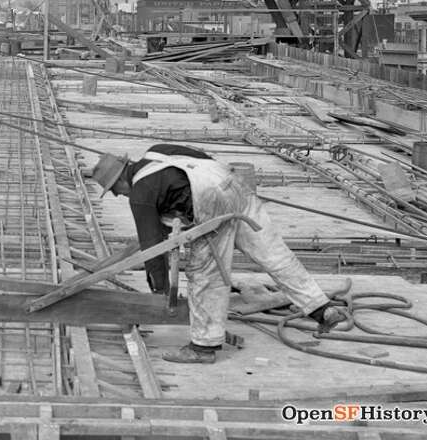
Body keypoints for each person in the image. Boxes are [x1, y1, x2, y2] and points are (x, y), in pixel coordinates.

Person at [91, 142, 348, 364]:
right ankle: (321, 308)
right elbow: (201, 161)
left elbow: (151, 245)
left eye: (116, 191)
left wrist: (159, 290)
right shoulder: (157, 153)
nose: (120, 195)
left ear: (121, 180)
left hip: (210, 202)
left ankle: (203, 346)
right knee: (274, 254)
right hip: (233, 185)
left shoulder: (140, 193)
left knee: (205, 274)